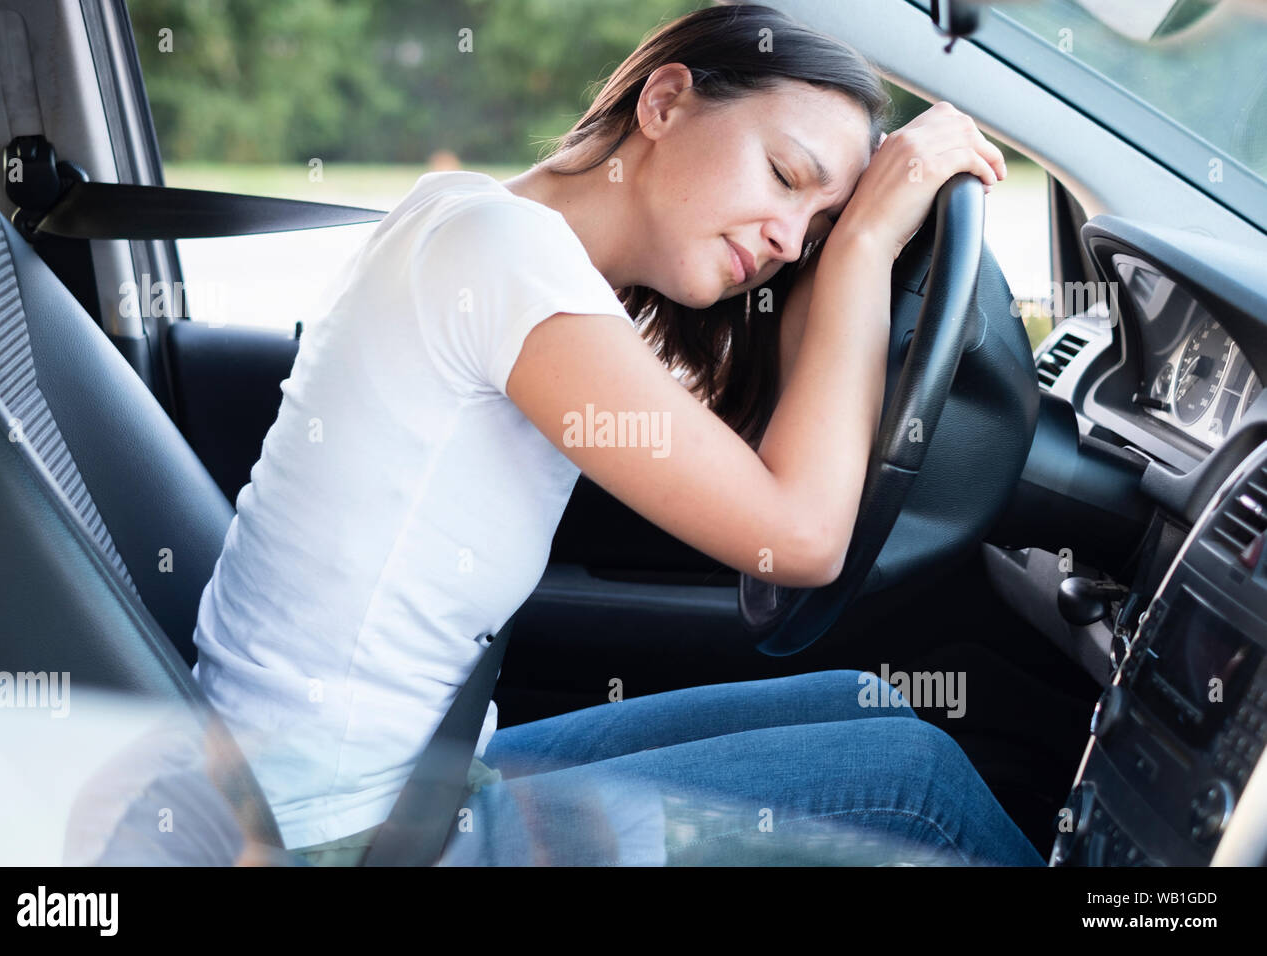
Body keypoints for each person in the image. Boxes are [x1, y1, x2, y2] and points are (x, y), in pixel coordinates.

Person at [191, 2, 1042, 866]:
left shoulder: (480, 224)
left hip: (405, 784)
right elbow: (803, 539)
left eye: (817, 229)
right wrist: (862, 243)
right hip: (336, 836)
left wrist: (833, 262)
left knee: (860, 703)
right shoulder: (503, 257)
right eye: (786, 175)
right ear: (664, 102)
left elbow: (773, 470)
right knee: (911, 783)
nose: (791, 239)